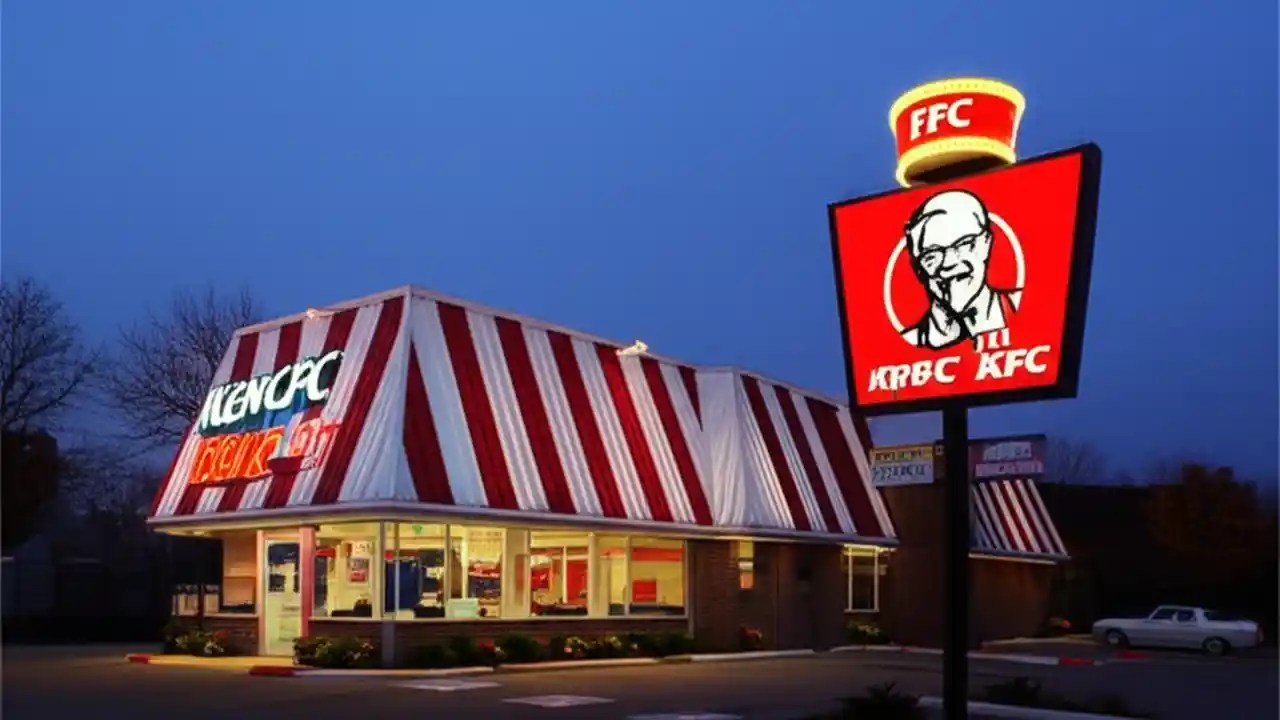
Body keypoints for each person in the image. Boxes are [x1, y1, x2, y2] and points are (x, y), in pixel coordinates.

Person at [899, 189, 1019, 350]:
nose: (948, 263)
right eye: (931, 255)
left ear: (986, 243)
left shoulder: (1036, 312)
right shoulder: (901, 346)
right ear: (919, 269)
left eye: (964, 244)